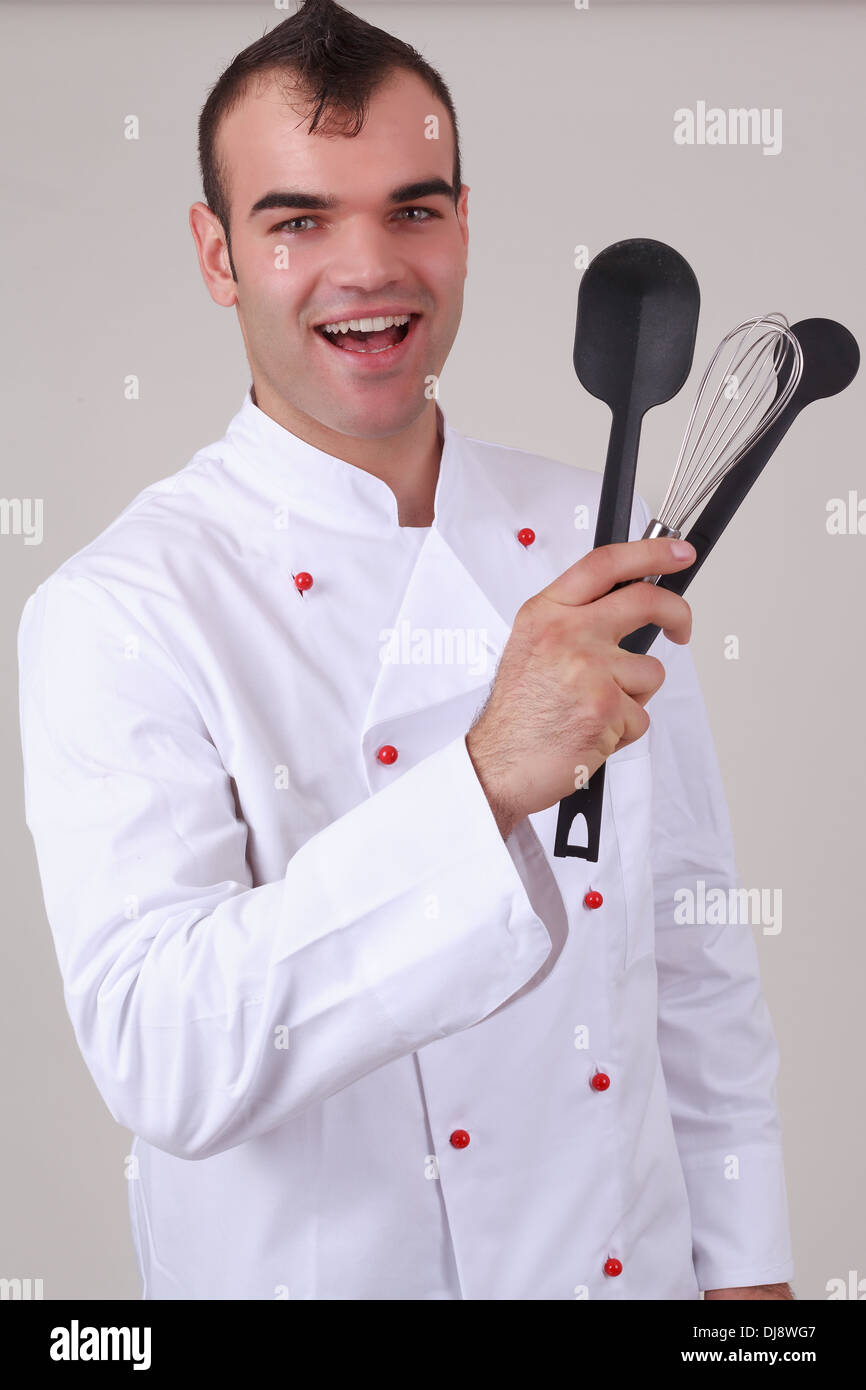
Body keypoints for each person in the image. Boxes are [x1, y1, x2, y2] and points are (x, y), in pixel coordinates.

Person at [17, 0, 794, 1300]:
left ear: (464, 225)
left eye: (412, 209)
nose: (368, 265)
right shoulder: (123, 607)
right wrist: (483, 776)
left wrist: (754, 1296)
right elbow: (163, 1054)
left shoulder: (593, 537)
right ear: (217, 254)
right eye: (298, 219)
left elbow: (693, 953)